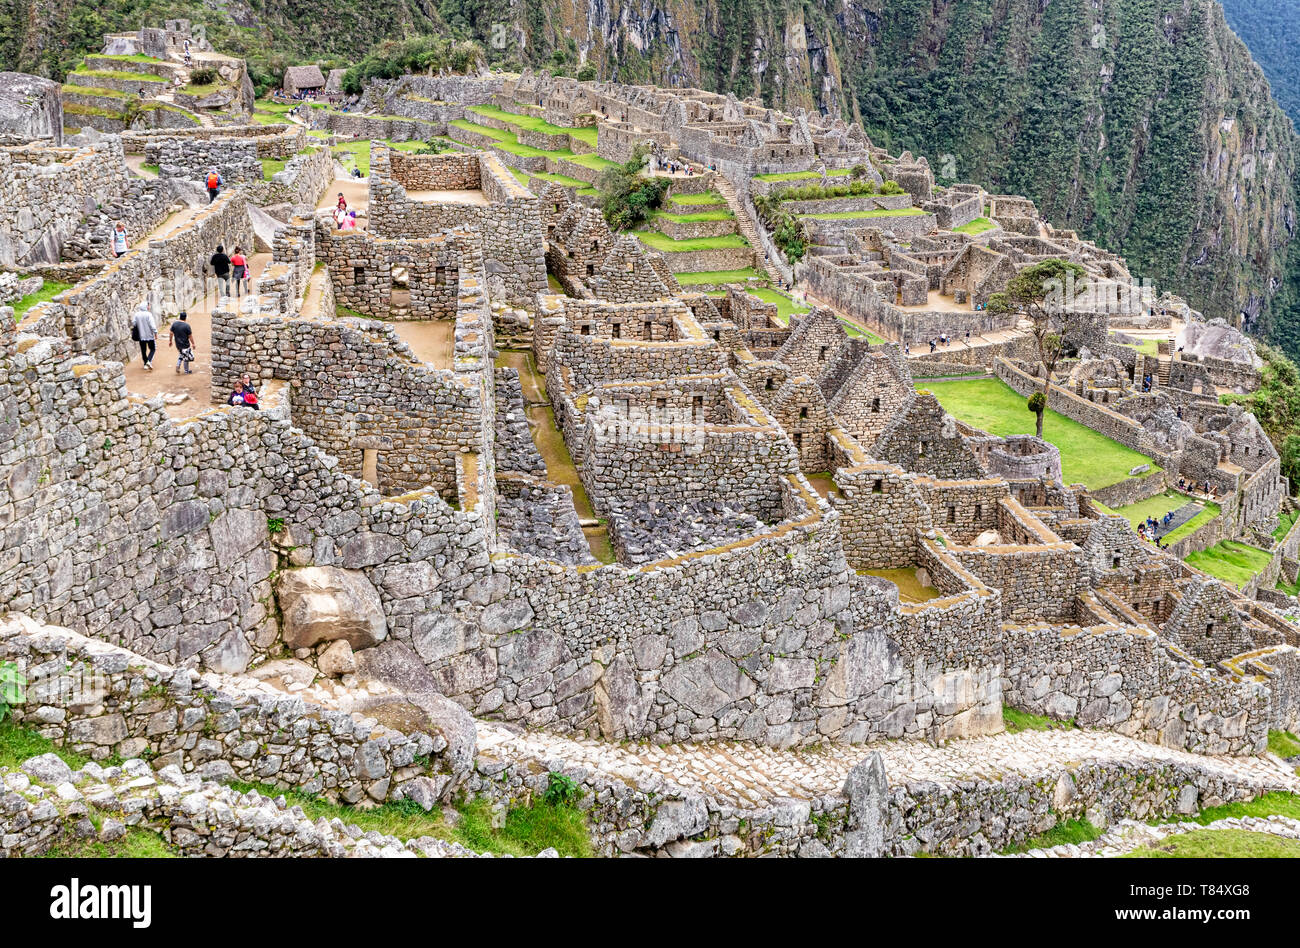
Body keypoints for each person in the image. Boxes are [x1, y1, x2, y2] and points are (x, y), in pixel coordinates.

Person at [131, 301, 157, 370]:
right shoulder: (149, 314)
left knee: (143, 350)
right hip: (149, 335)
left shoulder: (137, 314)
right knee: (152, 349)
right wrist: (155, 332)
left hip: (141, 336)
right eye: (148, 305)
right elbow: (152, 325)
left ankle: (146, 363)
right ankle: (149, 361)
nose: (149, 307)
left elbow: (133, 323)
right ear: (146, 306)